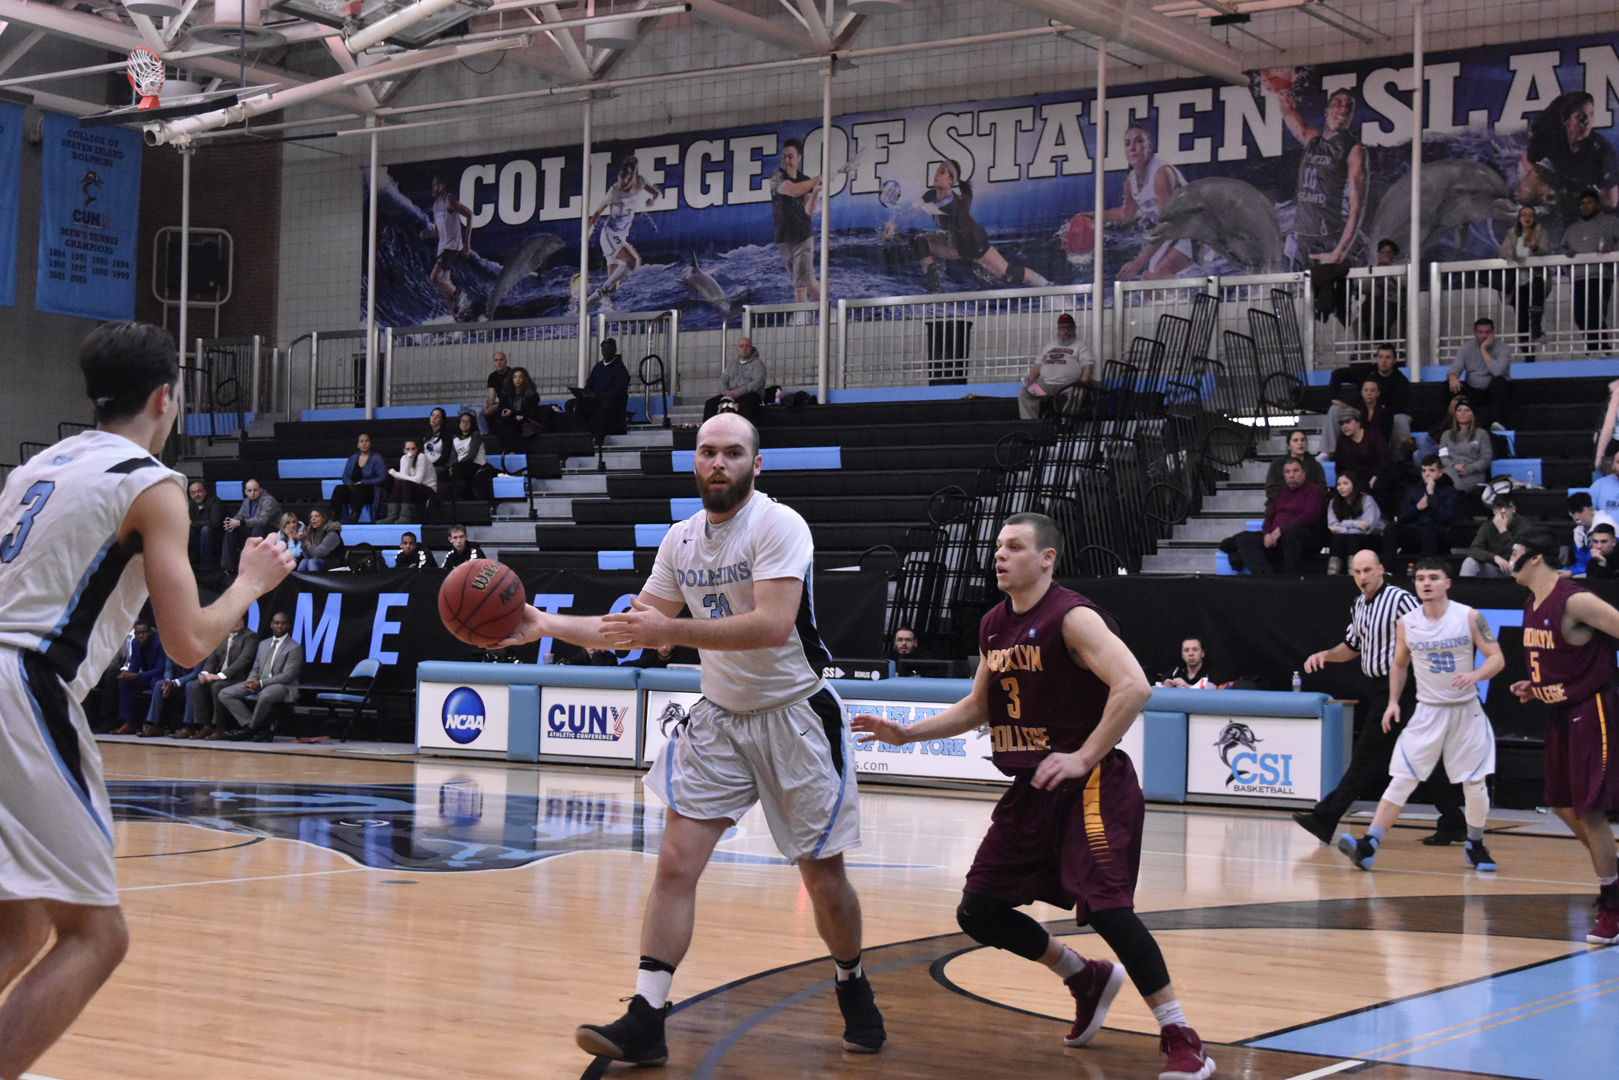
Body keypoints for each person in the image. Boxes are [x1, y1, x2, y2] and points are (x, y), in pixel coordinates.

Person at [496, 412, 884, 1064]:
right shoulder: (679, 540)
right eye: (707, 452)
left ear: (755, 464)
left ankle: (851, 978)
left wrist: (669, 633)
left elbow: (770, 625)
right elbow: (633, 627)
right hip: (720, 719)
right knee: (675, 863)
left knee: (823, 881)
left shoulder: (778, 525)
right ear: (694, 461)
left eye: (732, 453)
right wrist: (543, 623)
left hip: (794, 715)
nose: (717, 463)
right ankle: (647, 1017)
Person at [0, 321, 294, 1080]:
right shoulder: (151, 484)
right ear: (166, 398)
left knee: (21, 922)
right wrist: (250, 583)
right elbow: (189, 643)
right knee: (98, 936)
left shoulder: (33, 469)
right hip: (23, 688)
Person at [851, 513, 1215, 1080]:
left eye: (1015, 546)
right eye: (998, 546)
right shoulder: (994, 624)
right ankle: (1083, 975)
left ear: (1047, 558)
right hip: (1032, 788)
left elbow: (1134, 685)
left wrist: (1083, 756)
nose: (1000, 555)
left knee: (1108, 910)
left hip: (1092, 784)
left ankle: (1181, 1035)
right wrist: (907, 732)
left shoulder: (1073, 618)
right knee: (979, 910)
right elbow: (979, 706)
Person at [1334, 558, 1503, 872]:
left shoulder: (1469, 616)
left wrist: (1475, 675)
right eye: (1421, 578)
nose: (1426, 583)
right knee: (1401, 778)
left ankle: (1476, 844)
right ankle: (1368, 845)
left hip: (1465, 711)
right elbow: (1399, 664)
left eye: (1433, 577)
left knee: (1474, 784)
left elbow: (1497, 658)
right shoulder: (1407, 623)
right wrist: (1393, 701)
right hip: (1427, 711)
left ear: (1447, 583)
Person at [1291, 549, 1467, 846]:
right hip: (1376, 687)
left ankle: (1325, 818)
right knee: (1418, 755)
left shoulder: (1400, 599)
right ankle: (1454, 821)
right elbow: (1352, 646)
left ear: (1380, 569)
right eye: (1358, 572)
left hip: (1403, 687)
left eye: (1368, 570)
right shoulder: (1359, 604)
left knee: (1366, 757)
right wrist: (1325, 655)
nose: (1363, 577)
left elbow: (1430, 629)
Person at [1508, 529, 1619, 943]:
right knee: (1560, 802)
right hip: (1559, 711)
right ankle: (1614, 873)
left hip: (1592, 709)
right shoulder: (1532, 602)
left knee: (1591, 811)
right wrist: (1536, 685)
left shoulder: (1574, 600)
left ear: (1536, 557)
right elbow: (1561, 657)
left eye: (1515, 552)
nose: (1509, 560)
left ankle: (1612, 908)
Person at [914, 158, 1048, 292]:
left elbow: (931, 209)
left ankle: (1047, 286)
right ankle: (935, 288)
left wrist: (921, 208)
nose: (937, 174)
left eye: (942, 172)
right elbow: (913, 207)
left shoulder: (951, 203)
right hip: (956, 244)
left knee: (1008, 275)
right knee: (920, 241)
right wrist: (903, 216)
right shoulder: (930, 195)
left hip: (973, 243)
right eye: (937, 171)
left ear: (951, 180)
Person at [1088, 124, 1195, 281]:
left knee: (1154, 277)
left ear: (1149, 146)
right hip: (1177, 233)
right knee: (1149, 280)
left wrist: (1138, 262)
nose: (1132, 148)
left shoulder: (1161, 173)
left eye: (1138, 141)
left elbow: (1166, 225)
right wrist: (1092, 216)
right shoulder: (1131, 180)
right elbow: (1126, 214)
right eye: (1127, 144)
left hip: (1196, 231)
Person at [1277, 85, 1367, 268]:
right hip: (1302, 239)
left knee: (1327, 287)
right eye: (1338, 103)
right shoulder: (1312, 140)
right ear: (1326, 111)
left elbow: (1356, 207)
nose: (1343, 108)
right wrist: (1283, 87)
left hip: (1328, 239)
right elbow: (1288, 110)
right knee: (1298, 286)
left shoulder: (1353, 149)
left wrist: (1339, 252)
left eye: (1348, 107)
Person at [1520, 92, 1619, 227]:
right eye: (1580, 116)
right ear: (1566, 120)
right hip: (1564, 191)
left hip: (1599, 206)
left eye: (1591, 114)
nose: (1587, 121)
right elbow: (1527, 159)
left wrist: (1576, 198)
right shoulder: (1552, 138)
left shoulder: (1602, 151)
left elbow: (1612, 201)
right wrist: (1543, 182)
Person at [1229, 458, 1327, 575]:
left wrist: (1280, 530)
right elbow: (1269, 517)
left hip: (1303, 537)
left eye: (1295, 471)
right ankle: (1266, 576)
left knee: (1290, 531)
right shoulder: (1282, 492)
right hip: (1277, 539)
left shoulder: (1314, 490)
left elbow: (1309, 516)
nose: (1291, 475)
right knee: (1246, 540)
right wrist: (1266, 534)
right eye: (1287, 472)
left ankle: (1289, 578)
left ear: (1304, 473)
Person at [587, 157, 660, 306]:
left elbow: (655, 193)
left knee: (613, 288)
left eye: (627, 179)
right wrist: (588, 231)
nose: (623, 182)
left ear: (633, 177)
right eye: (621, 178)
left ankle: (582, 305)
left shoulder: (640, 182)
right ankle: (600, 291)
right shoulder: (614, 191)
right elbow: (597, 212)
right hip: (609, 234)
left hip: (620, 236)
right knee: (633, 261)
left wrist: (653, 199)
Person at [221, 611, 302, 743]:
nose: (280, 626)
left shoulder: (294, 647)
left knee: (265, 695)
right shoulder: (263, 644)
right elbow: (256, 668)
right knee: (225, 693)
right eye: (277, 623)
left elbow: (287, 676)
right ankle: (253, 726)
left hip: (282, 686)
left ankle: (249, 730)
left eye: (283, 623)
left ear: (288, 626)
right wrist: (251, 680)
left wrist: (260, 683)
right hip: (259, 683)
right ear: (271, 625)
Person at [1323, 344, 1411, 456]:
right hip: (1361, 412)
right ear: (1376, 359)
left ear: (1394, 360)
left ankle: (1401, 457)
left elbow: (1401, 406)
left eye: (1388, 357)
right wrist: (1333, 398)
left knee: (1401, 419)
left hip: (1387, 415)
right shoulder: (1366, 372)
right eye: (1380, 357)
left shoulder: (1401, 381)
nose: (1383, 361)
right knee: (1335, 409)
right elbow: (1337, 374)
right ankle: (1328, 453)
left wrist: (1382, 410)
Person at [1562, 190, 1619, 352]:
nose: (1585, 206)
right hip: (1579, 277)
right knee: (1580, 315)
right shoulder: (1572, 228)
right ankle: (1599, 348)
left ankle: (1597, 350)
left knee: (1595, 313)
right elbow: (1562, 248)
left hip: (1600, 275)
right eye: (1582, 203)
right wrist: (1567, 253)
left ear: (1598, 205)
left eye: (1589, 203)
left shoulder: (1611, 222)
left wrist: (1612, 249)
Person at [186, 614, 258, 740]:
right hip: (219, 677)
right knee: (197, 685)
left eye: (237, 619)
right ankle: (205, 726)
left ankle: (220, 728)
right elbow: (212, 659)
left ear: (242, 620)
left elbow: (243, 660)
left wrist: (220, 676)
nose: (234, 622)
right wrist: (205, 673)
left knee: (217, 686)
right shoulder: (221, 636)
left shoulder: (250, 637)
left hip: (239, 678)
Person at [769, 139, 823, 304]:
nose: (786, 160)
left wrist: (815, 193)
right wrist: (819, 178)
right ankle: (829, 312)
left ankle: (802, 319)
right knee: (808, 280)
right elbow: (793, 191)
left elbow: (809, 211)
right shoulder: (777, 178)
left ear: (799, 158)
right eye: (784, 157)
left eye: (790, 157)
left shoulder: (805, 180)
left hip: (802, 238)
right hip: (784, 240)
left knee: (800, 287)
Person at [1018, 313, 1095, 420]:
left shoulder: (1080, 345)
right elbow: (1038, 364)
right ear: (1058, 330)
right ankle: (1032, 424)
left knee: (1078, 393)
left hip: (1067, 385)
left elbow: (1088, 365)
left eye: (1069, 328)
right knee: (1025, 392)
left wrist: (1083, 382)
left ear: (1074, 329)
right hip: (1045, 386)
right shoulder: (1050, 345)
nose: (1066, 331)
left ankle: (1066, 422)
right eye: (1063, 328)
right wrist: (1031, 378)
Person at [1385, 455, 1458, 567]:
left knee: (1428, 531)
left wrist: (1431, 494)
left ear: (1440, 472)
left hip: (1438, 533)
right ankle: (1389, 570)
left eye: (1431, 470)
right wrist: (1417, 508)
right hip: (1415, 531)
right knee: (1391, 527)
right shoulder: (1415, 490)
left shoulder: (1450, 491)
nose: (1427, 474)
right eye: (1424, 471)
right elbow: (1401, 517)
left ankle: (1427, 569)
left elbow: (1445, 517)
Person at [421, 173, 475, 320]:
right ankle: (458, 320)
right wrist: (427, 234)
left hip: (452, 246)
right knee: (445, 287)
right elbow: (436, 230)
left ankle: (459, 293)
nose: (433, 187)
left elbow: (469, 215)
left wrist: (466, 243)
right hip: (442, 248)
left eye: (436, 184)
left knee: (434, 279)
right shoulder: (435, 205)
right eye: (432, 185)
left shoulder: (449, 200)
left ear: (443, 185)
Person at [1447, 318, 1512, 430]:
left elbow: (1497, 372)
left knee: (1499, 382)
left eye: (1487, 332)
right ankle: (1448, 424)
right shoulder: (1466, 348)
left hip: (1494, 390)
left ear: (1493, 333)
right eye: (1480, 332)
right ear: (1475, 333)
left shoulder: (1503, 348)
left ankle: (1499, 423)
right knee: (1448, 386)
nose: (1484, 336)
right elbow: (1455, 368)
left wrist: (1484, 350)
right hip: (1474, 389)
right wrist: (1452, 376)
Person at [1499, 205, 1553, 343]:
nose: (1527, 218)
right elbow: (1502, 252)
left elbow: (1546, 252)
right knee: (1521, 315)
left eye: (1531, 215)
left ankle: (1536, 331)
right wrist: (1505, 254)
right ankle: (1526, 350)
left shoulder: (1540, 231)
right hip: (1518, 281)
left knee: (1536, 306)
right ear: (1519, 217)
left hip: (1535, 277)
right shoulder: (1512, 233)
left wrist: (1535, 248)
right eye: (1524, 215)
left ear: (1534, 218)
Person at [569, 338, 631, 447]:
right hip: (594, 400)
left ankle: (597, 439)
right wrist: (586, 392)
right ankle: (581, 437)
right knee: (572, 404)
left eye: (608, 349)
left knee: (603, 408)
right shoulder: (598, 367)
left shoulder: (620, 369)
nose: (606, 352)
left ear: (614, 350)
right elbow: (589, 384)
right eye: (603, 350)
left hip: (610, 404)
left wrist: (598, 396)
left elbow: (618, 392)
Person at [108, 621, 166, 735]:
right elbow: (134, 666)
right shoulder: (135, 643)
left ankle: (154, 725)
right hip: (146, 677)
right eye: (138, 633)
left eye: (144, 632)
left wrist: (138, 675)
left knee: (157, 683)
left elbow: (161, 669)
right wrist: (128, 674)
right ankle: (128, 723)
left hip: (161, 677)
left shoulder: (160, 642)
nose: (141, 636)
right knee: (125, 683)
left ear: (150, 632)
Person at [1331, 410, 1396, 505]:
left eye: (1348, 422)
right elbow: (1340, 466)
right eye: (1342, 424)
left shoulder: (1374, 436)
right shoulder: (1342, 441)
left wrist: (1375, 476)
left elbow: (1384, 458)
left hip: (1377, 475)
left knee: (1380, 486)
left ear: (1358, 422)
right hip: (1355, 478)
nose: (1344, 426)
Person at [1327, 472, 1382, 574]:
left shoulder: (1366, 500)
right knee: (1338, 539)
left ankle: (1354, 571)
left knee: (1352, 539)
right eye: (1339, 484)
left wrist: (1342, 526)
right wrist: (1356, 524)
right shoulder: (1334, 502)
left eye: (1345, 483)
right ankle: (1333, 572)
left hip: (1372, 536)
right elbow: (1332, 526)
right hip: (1347, 537)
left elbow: (1366, 527)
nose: (1341, 487)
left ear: (1354, 484)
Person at [221, 477, 281, 573]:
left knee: (257, 529)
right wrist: (231, 522)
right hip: (253, 529)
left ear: (260, 489)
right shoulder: (246, 501)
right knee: (232, 530)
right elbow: (239, 516)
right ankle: (227, 567)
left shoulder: (268, 500)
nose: (252, 493)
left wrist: (240, 522)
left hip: (271, 531)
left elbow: (263, 520)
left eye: (255, 490)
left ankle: (254, 565)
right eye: (249, 490)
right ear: (246, 492)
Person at [1438, 398, 1493, 497]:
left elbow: (1486, 458)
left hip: (1473, 474)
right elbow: (1443, 457)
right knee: (1448, 473)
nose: (1462, 413)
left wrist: (1469, 469)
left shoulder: (1481, 434)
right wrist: (1454, 466)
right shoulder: (1446, 435)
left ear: (1473, 414)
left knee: (1445, 482)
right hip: (1451, 471)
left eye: (1467, 410)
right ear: (1455, 414)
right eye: (1459, 410)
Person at [1461, 494, 1525, 578]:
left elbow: (1518, 553)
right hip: (1493, 568)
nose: (1503, 511)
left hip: (1514, 569)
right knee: (1469, 562)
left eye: (1507, 507)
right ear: (1494, 511)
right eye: (1499, 508)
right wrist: (1495, 557)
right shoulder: (1487, 527)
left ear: (1513, 509)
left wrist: (1503, 531)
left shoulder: (1522, 525)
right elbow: (1473, 550)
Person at [704, 337, 767, 422]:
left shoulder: (757, 364)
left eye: (747, 346)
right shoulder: (732, 364)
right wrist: (725, 391)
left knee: (744, 404)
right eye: (741, 346)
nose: (744, 348)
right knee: (710, 404)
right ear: (738, 349)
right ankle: (709, 428)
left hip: (751, 394)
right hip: (732, 395)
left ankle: (743, 428)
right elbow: (723, 379)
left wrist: (739, 392)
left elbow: (757, 382)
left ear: (751, 348)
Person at [1356, 241, 1405, 348]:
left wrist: (1390, 268)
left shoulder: (1399, 268)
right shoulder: (1373, 267)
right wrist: (1369, 286)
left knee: (1396, 320)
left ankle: (1394, 353)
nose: (1385, 255)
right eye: (1383, 252)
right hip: (1374, 308)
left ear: (1393, 254)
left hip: (1392, 307)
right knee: (1357, 323)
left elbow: (1404, 283)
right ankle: (1363, 354)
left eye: (1388, 252)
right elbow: (1360, 282)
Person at [332, 433, 386, 524]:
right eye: (361, 441)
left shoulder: (377, 458)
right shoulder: (353, 458)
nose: (364, 443)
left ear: (370, 443)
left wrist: (364, 482)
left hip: (370, 490)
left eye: (366, 441)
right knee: (339, 489)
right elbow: (345, 476)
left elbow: (382, 477)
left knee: (359, 489)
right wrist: (350, 483)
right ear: (358, 444)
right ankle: (334, 516)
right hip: (354, 488)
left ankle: (354, 516)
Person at [1265, 430, 1328, 505]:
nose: (1300, 443)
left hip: (1308, 504)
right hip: (1282, 504)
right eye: (1295, 440)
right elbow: (1271, 489)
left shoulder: (1315, 465)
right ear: (1289, 445)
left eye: (1303, 440)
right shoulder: (1277, 465)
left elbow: (1321, 488)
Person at [381, 439, 436, 524]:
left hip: (428, 490)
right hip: (412, 489)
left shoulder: (421, 457)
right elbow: (403, 478)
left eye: (413, 449)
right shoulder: (404, 458)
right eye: (408, 449)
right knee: (400, 483)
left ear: (417, 449)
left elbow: (418, 480)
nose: (411, 452)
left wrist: (396, 474)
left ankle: (405, 516)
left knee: (406, 484)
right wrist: (408, 461)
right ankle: (392, 515)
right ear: (404, 450)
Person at [491, 366, 543, 445]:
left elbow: (531, 412)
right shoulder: (506, 393)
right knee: (502, 423)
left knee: (516, 425)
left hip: (525, 419)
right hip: (511, 418)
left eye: (520, 377)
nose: (517, 380)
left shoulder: (531, 395)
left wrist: (514, 413)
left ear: (525, 379)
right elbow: (502, 408)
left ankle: (514, 449)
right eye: (515, 377)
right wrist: (510, 414)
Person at [447, 410, 489, 502]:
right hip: (459, 467)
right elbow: (453, 456)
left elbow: (471, 455)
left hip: (476, 465)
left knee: (458, 469)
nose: (464, 424)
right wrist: (452, 467)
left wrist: (456, 466)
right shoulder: (455, 438)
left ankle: (458, 497)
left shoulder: (476, 435)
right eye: (463, 421)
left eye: (467, 422)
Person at [187, 480, 224, 569]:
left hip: (216, 535)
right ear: (190, 495)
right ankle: (192, 565)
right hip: (197, 535)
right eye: (193, 493)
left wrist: (194, 524)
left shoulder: (214, 502)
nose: (197, 494)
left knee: (205, 530)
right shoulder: (190, 504)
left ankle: (207, 566)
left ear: (204, 492)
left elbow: (215, 523)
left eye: (199, 491)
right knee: (188, 531)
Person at [293, 508, 342, 572]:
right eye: (311, 517)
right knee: (304, 561)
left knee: (312, 562)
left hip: (333, 563)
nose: (313, 519)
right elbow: (307, 556)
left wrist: (307, 542)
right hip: (318, 560)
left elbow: (317, 555)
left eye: (317, 516)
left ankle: (314, 578)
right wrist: (303, 542)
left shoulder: (332, 534)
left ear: (324, 518)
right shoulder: (312, 533)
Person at [424, 406, 452, 492]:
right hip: (424, 465)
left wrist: (431, 465)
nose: (434, 418)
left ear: (442, 420)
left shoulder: (446, 436)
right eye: (432, 415)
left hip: (439, 466)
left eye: (437, 416)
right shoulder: (425, 435)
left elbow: (445, 456)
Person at [480, 352, 509, 436]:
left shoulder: (511, 374)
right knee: (479, 412)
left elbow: (511, 398)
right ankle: (485, 435)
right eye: (496, 360)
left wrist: (496, 406)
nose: (499, 362)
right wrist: (488, 406)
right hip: (500, 404)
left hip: (509, 404)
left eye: (501, 360)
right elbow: (491, 396)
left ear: (506, 361)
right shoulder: (492, 376)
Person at [1569, 491, 1596, 575]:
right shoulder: (1578, 531)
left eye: (1580, 511)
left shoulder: (1606, 527)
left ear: (1591, 509)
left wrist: (1571, 572)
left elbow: (1599, 564)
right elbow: (1581, 562)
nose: (1576, 517)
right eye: (1573, 512)